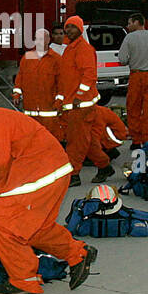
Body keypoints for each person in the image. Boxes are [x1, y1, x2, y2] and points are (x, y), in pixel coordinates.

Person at [0, 101, 97, 294]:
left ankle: (24, 281)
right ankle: (78, 254)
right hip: (48, 170)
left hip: (40, 170)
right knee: (33, 228)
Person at [58, 15, 107, 186]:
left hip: (81, 104)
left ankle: (74, 174)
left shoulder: (82, 49)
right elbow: (67, 79)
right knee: (87, 140)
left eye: (72, 27)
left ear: (80, 29)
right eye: (67, 27)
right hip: (76, 103)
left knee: (76, 141)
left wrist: (79, 96)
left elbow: (89, 75)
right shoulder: (70, 49)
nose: (69, 30)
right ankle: (104, 166)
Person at [117, 13, 148, 147]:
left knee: (133, 108)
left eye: (129, 23)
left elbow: (122, 59)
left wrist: (132, 59)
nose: (127, 26)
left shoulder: (129, 38)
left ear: (136, 22)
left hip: (136, 75)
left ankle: (136, 139)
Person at [13, 28, 64, 143]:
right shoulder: (27, 57)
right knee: (31, 139)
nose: (40, 41)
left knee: (50, 139)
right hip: (30, 110)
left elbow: (62, 83)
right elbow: (20, 78)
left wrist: (59, 100)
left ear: (48, 40)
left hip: (49, 110)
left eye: (43, 38)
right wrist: (16, 94)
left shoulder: (56, 59)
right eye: (38, 39)